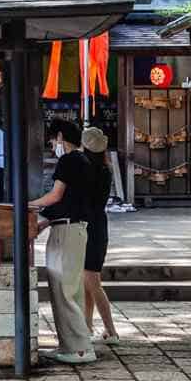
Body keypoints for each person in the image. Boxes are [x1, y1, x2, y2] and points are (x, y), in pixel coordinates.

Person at [29, 119, 96, 365]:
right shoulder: (85, 161)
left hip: (67, 232)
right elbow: (69, 202)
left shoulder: (68, 160)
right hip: (74, 228)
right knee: (71, 290)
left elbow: (55, 196)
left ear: (59, 136)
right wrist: (45, 222)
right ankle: (72, 344)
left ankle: (79, 348)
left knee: (63, 290)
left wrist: (27, 205)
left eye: (52, 141)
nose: (52, 146)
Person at [80, 126, 120, 345]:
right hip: (98, 224)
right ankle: (86, 325)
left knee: (92, 281)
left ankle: (110, 329)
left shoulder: (87, 171)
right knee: (87, 280)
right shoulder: (105, 170)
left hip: (89, 227)